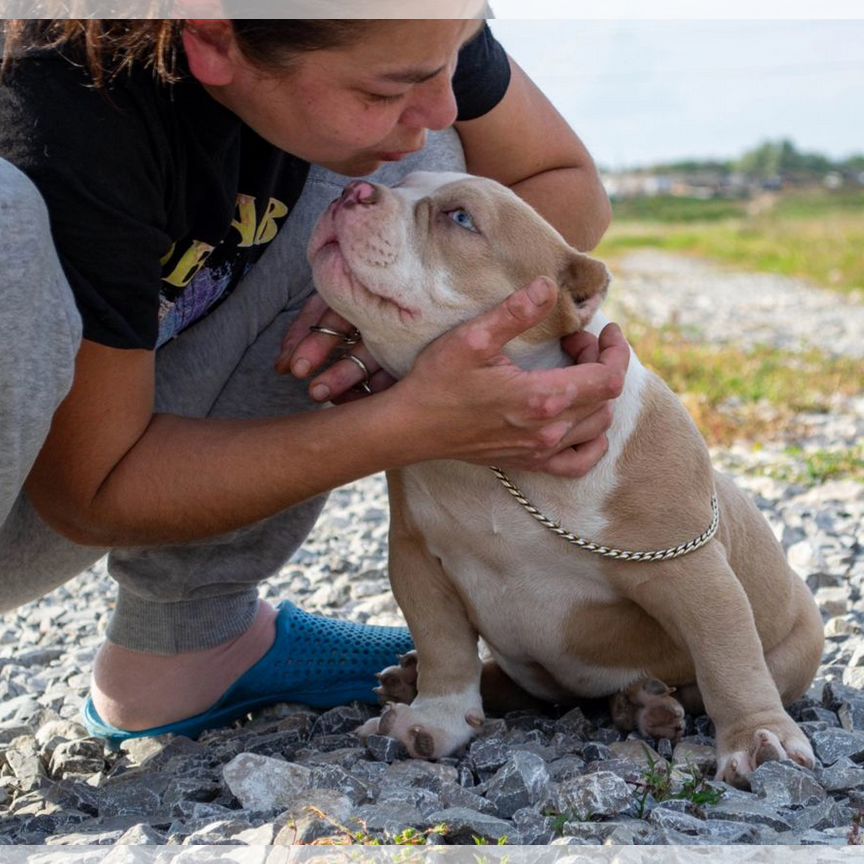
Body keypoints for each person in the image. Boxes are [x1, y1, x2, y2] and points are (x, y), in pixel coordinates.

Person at [0, 17, 628, 744]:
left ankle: (188, 642)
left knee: (413, 182)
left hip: (87, 450)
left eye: (456, 60)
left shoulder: (403, 22)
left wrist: (387, 297)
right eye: (389, 87)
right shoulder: (63, 106)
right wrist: (416, 423)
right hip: (49, 484)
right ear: (211, 37)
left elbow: (559, 180)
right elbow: (91, 494)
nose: (441, 105)